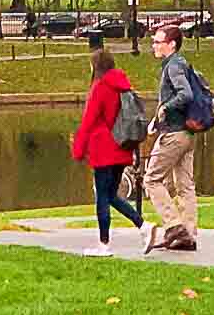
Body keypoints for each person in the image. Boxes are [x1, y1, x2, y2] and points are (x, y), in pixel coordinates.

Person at [70, 47, 146, 256]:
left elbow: (88, 121)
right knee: (112, 195)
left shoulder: (100, 87)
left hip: (103, 149)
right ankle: (144, 226)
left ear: (95, 67)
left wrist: (78, 149)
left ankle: (104, 244)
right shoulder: (123, 85)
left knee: (102, 197)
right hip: (122, 146)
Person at [142, 24, 198, 252]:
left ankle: (174, 226)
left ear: (171, 44)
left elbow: (185, 94)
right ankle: (188, 236)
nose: (154, 46)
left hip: (174, 134)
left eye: (158, 42)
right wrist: (157, 118)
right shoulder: (181, 63)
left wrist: (165, 108)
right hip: (188, 133)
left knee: (151, 180)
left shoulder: (173, 66)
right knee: (185, 185)